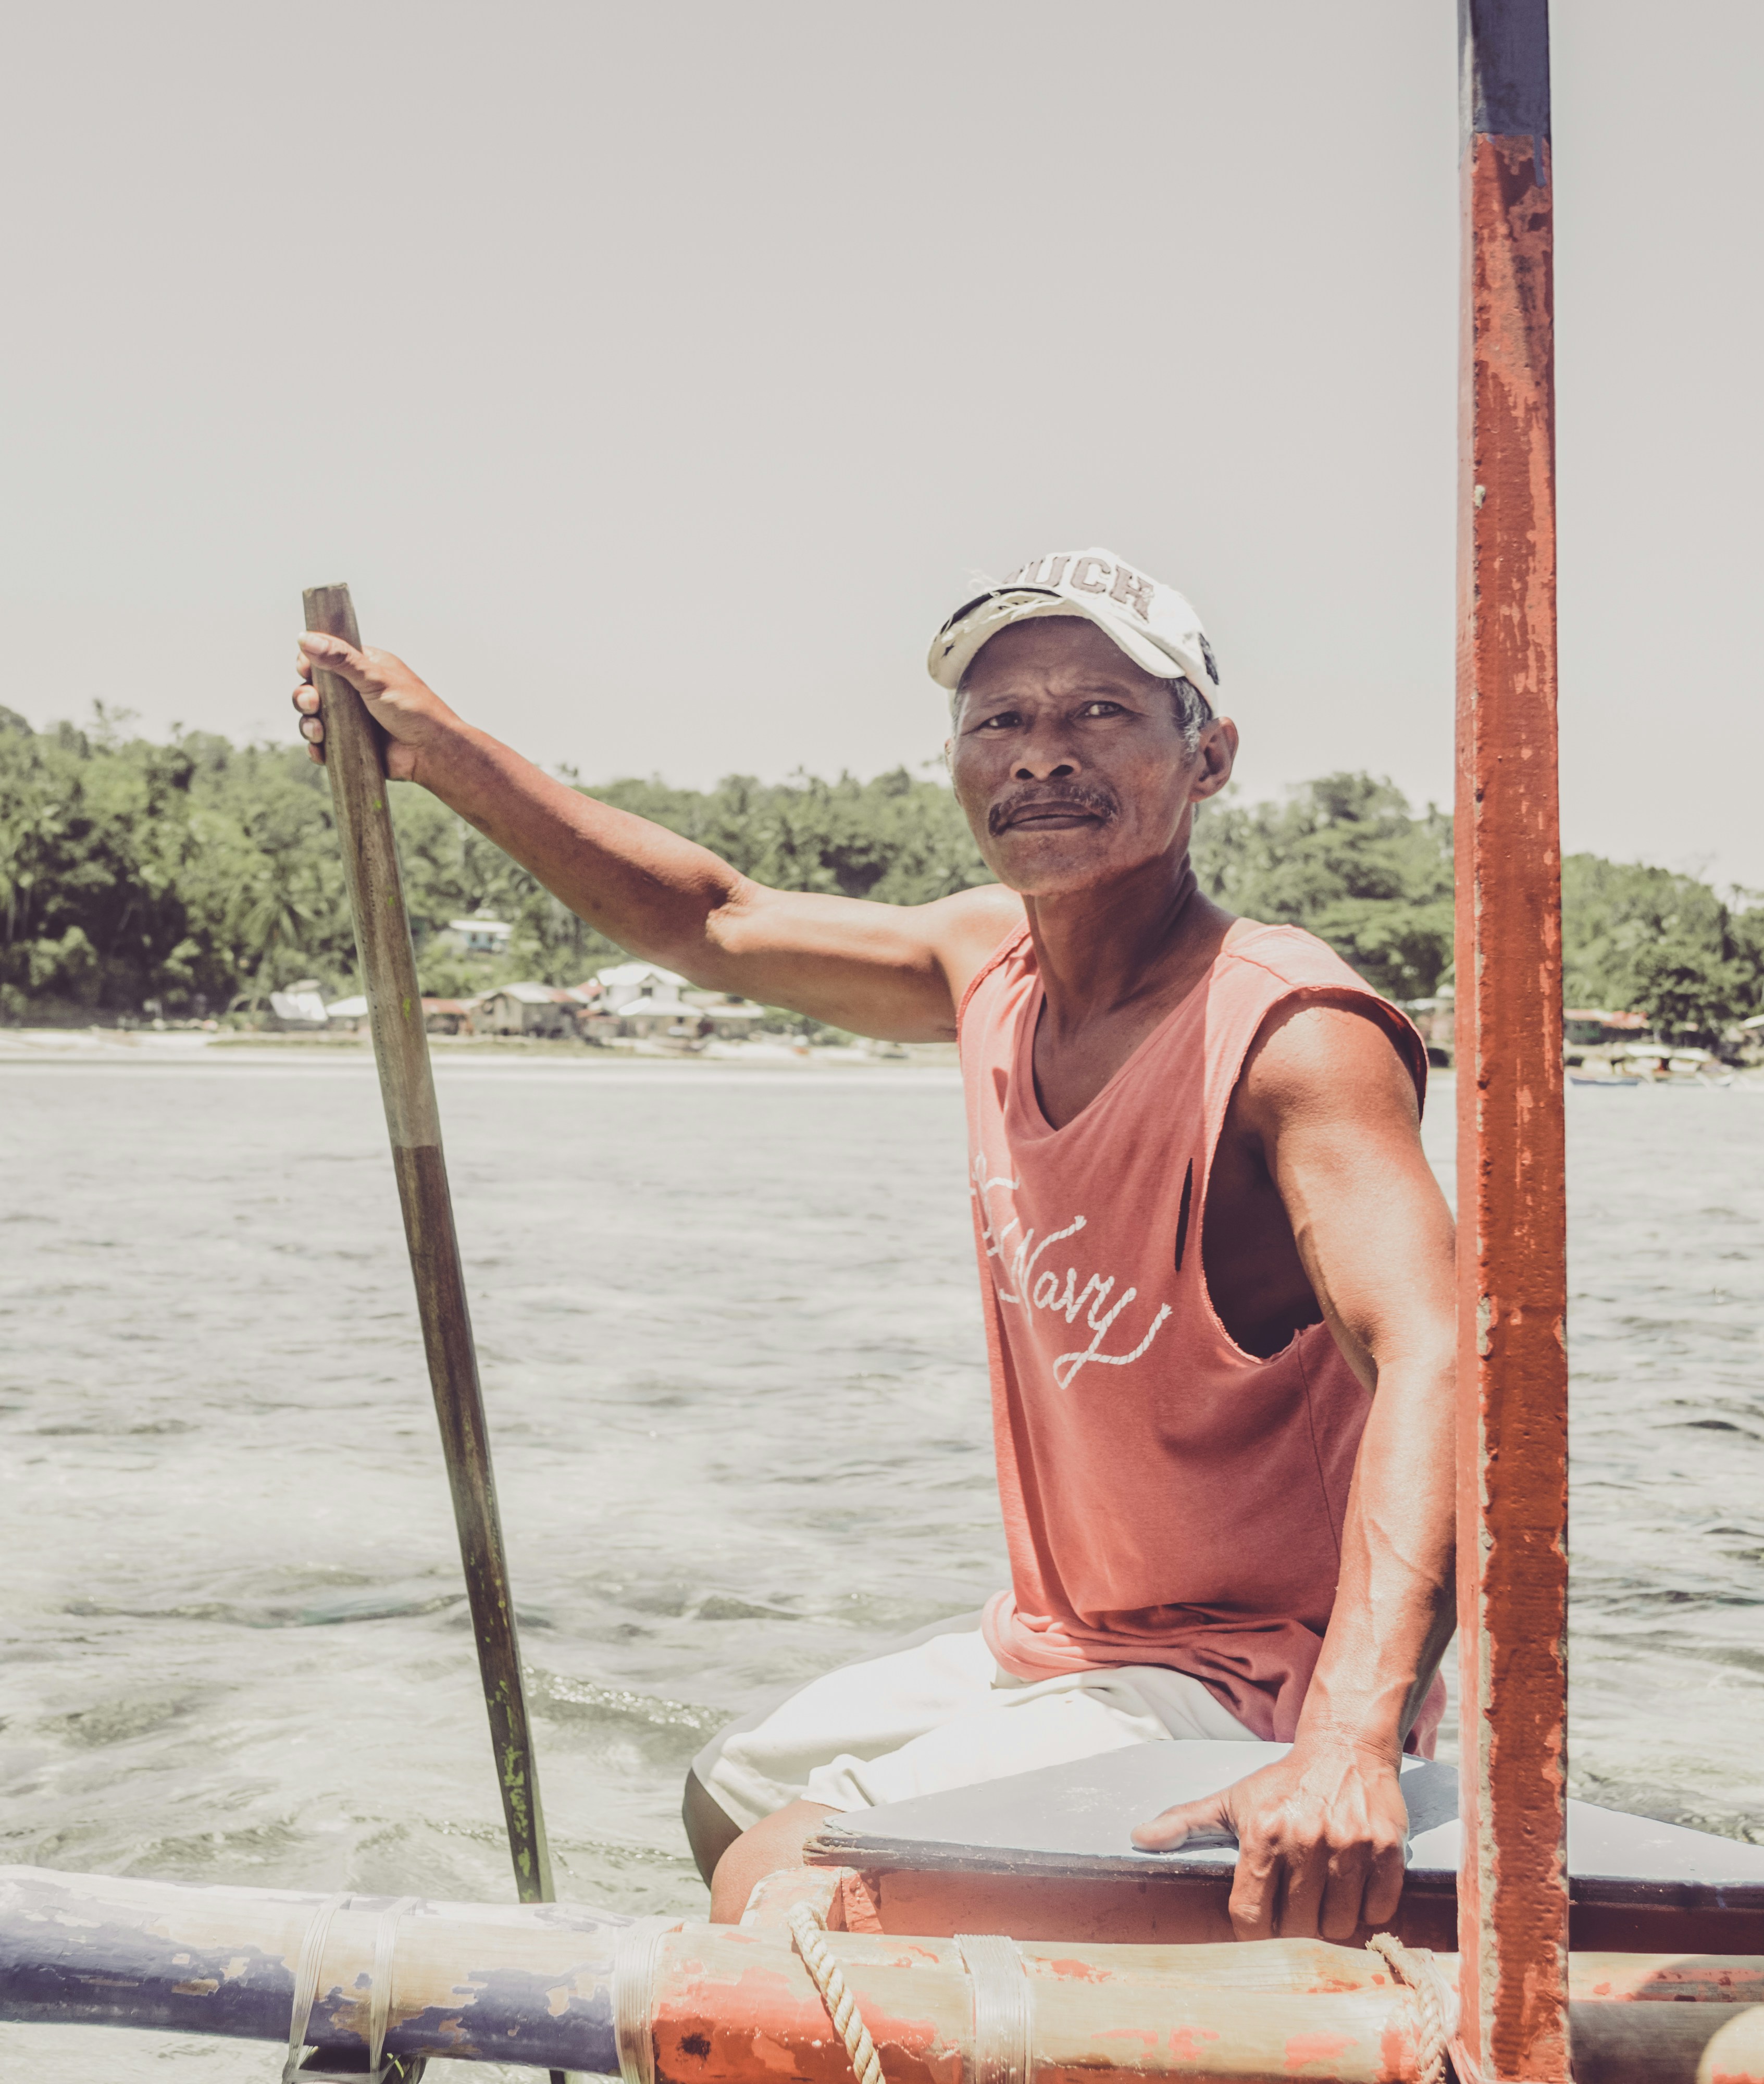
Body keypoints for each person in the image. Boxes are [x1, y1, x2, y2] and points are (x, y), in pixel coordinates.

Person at [292, 548, 1456, 1943]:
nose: (1041, 757)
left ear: (1207, 757)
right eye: (1001, 721)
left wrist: (1353, 1738)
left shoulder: (1293, 1037)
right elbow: (715, 919)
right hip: (1073, 1641)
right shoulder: (988, 968)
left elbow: (1438, 1357)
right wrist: (444, 757)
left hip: (1256, 1676)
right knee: (727, 1798)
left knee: (794, 1885)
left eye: (1099, 713)